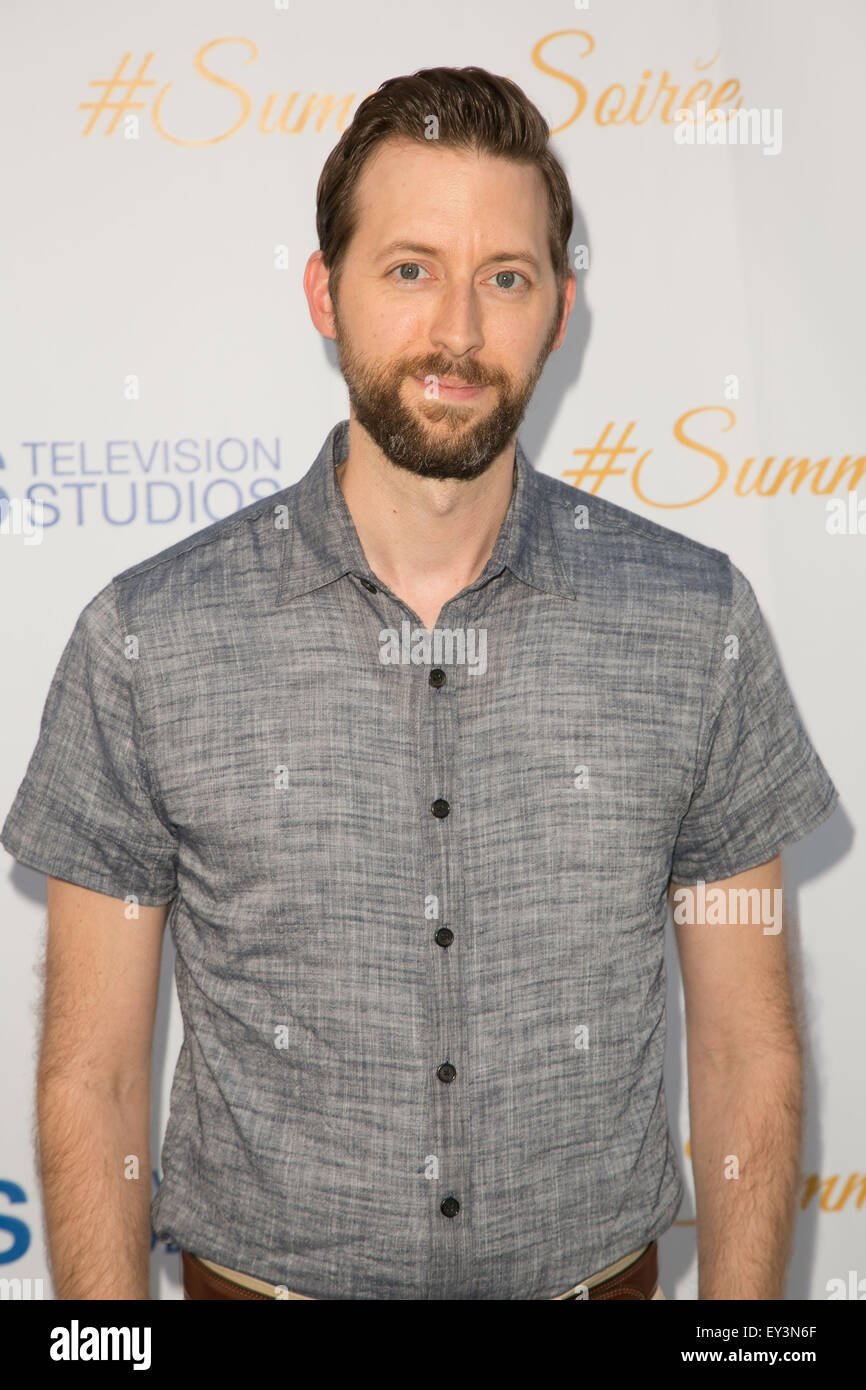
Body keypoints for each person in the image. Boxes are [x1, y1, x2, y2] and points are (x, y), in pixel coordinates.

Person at [1, 66, 839, 1302]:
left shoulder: (692, 621)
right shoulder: (148, 638)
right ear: (321, 293)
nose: (457, 328)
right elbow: (94, 1077)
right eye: (408, 269)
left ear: (560, 312)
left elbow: (744, 1044)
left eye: (504, 277)